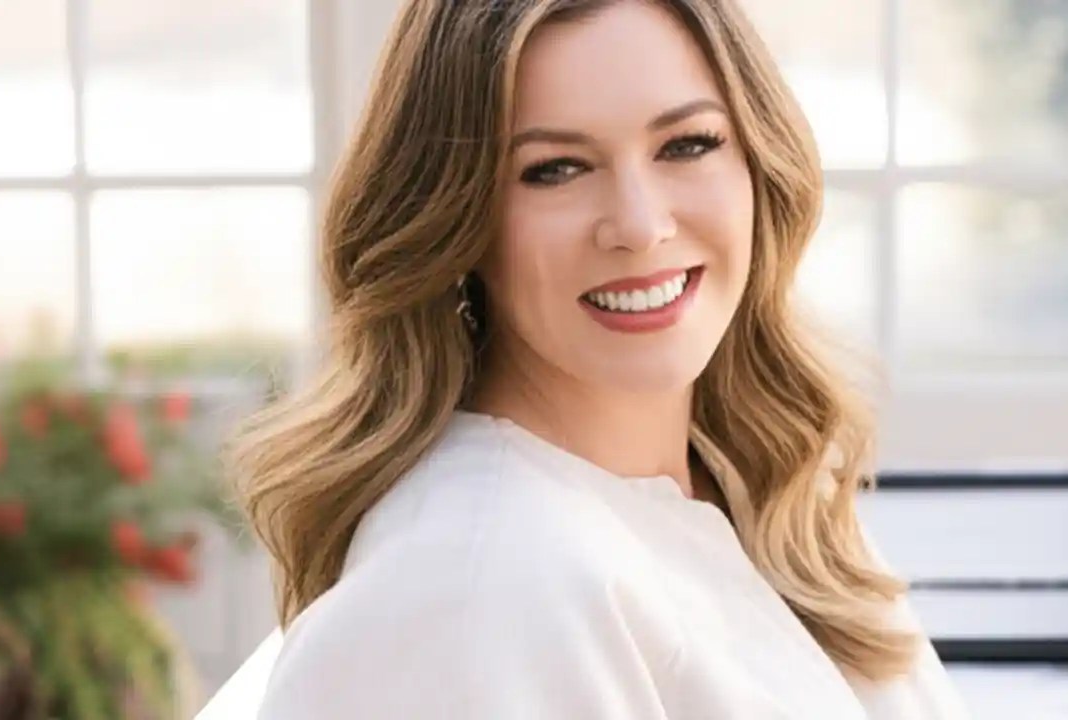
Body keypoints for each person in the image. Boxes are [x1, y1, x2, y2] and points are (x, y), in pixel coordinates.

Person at [199, 0, 970, 717]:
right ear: (455, 219)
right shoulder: (480, 589)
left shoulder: (766, 494)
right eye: (555, 169)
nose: (638, 225)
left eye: (687, 144)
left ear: (759, 164)